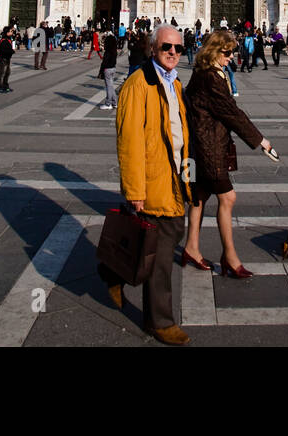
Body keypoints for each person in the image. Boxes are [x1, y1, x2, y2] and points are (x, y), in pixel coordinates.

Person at [101, 25, 193, 345]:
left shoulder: (175, 82)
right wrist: (135, 190)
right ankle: (159, 321)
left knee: (165, 240)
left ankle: (113, 272)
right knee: (161, 253)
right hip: (152, 183)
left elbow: (181, 136)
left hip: (175, 179)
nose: (173, 53)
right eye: (167, 47)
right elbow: (130, 141)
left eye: (178, 48)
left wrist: (190, 178)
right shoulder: (137, 83)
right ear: (153, 48)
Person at [182, 29, 271, 281]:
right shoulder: (211, 77)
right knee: (228, 198)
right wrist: (260, 140)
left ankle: (191, 247)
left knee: (199, 195)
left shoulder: (202, 71)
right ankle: (230, 257)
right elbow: (231, 112)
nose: (232, 56)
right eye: (228, 52)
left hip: (201, 142)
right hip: (208, 146)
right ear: (215, 51)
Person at [98, 30, 119, 109]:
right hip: (113, 68)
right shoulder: (114, 50)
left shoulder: (108, 51)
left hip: (108, 69)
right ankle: (114, 102)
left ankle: (108, 104)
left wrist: (101, 71)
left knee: (108, 86)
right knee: (111, 86)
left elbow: (104, 62)